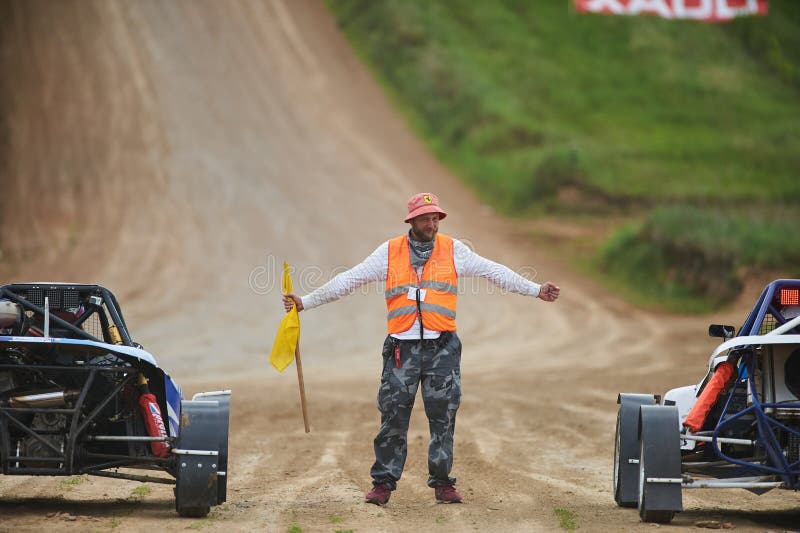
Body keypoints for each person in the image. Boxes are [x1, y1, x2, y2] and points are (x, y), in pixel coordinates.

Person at [282, 192, 560, 506]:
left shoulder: (455, 250)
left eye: (435, 218)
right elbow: (349, 280)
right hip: (402, 349)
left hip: (442, 347)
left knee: (444, 414)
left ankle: (443, 483)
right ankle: (383, 484)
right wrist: (306, 301)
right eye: (426, 218)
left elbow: (494, 271)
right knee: (393, 414)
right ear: (411, 221)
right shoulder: (388, 252)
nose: (432, 224)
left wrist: (536, 290)